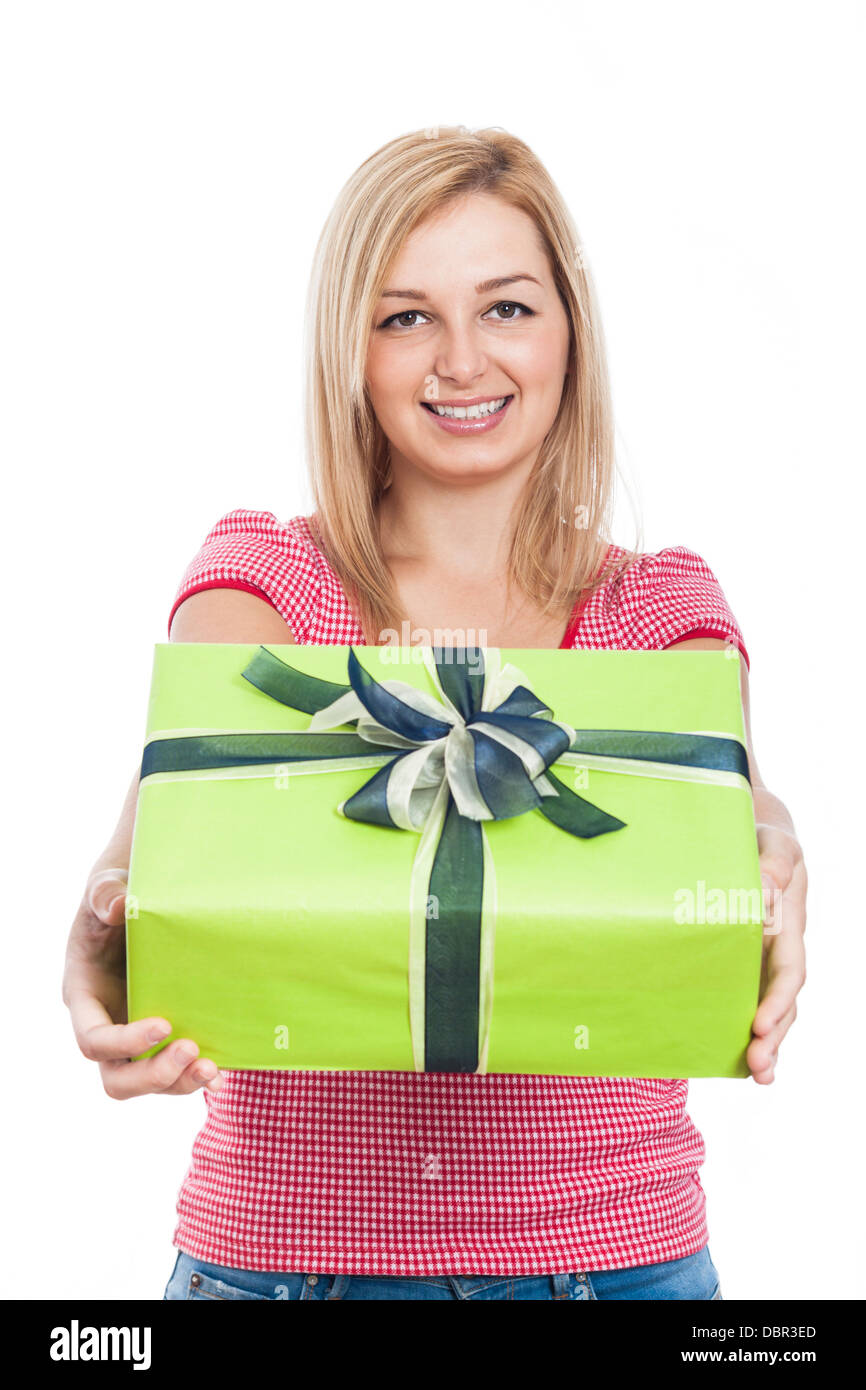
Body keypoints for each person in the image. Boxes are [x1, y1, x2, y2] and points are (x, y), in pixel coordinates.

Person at [63, 126, 807, 1302]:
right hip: (289, 1264)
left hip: (614, 1262)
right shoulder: (268, 582)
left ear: (568, 330)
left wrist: (773, 847)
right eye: (404, 316)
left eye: (505, 307)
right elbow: (172, 799)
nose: (460, 360)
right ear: (349, 353)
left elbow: (728, 792)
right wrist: (106, 914)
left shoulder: (657, 603)